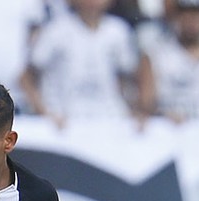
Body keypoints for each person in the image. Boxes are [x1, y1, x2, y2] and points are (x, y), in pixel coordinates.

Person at [20, 0, 151, 129]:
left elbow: (130, 76)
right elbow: (26, 76)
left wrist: (138, 111)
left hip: (111, 119)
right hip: (64, 121)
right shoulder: (56, 30)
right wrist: (43, 112)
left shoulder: (118, 31)